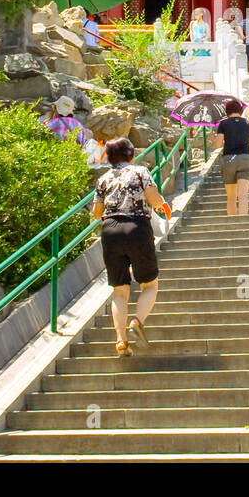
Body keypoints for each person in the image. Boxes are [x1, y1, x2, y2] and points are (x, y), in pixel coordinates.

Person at [90, 138, 173, 357]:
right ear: (131, 154)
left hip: (110, 230)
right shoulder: (140, 172)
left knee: (119, 290)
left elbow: (97, 213)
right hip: (136, 228)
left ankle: (121, 341)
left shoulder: (103, 178)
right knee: (150, 284)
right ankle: (137, 321)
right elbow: (154, 199)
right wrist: (162, 205)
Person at [212, 98, 249, 215]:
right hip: (245, 159)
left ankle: (232, 222)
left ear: (227, 111)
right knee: (243, 195)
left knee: (231, 197)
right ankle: (243, 221)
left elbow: (217, 145)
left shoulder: (223, 124)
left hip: (229, 160)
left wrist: (212, 138)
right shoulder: (248, 123)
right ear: (240, 110)